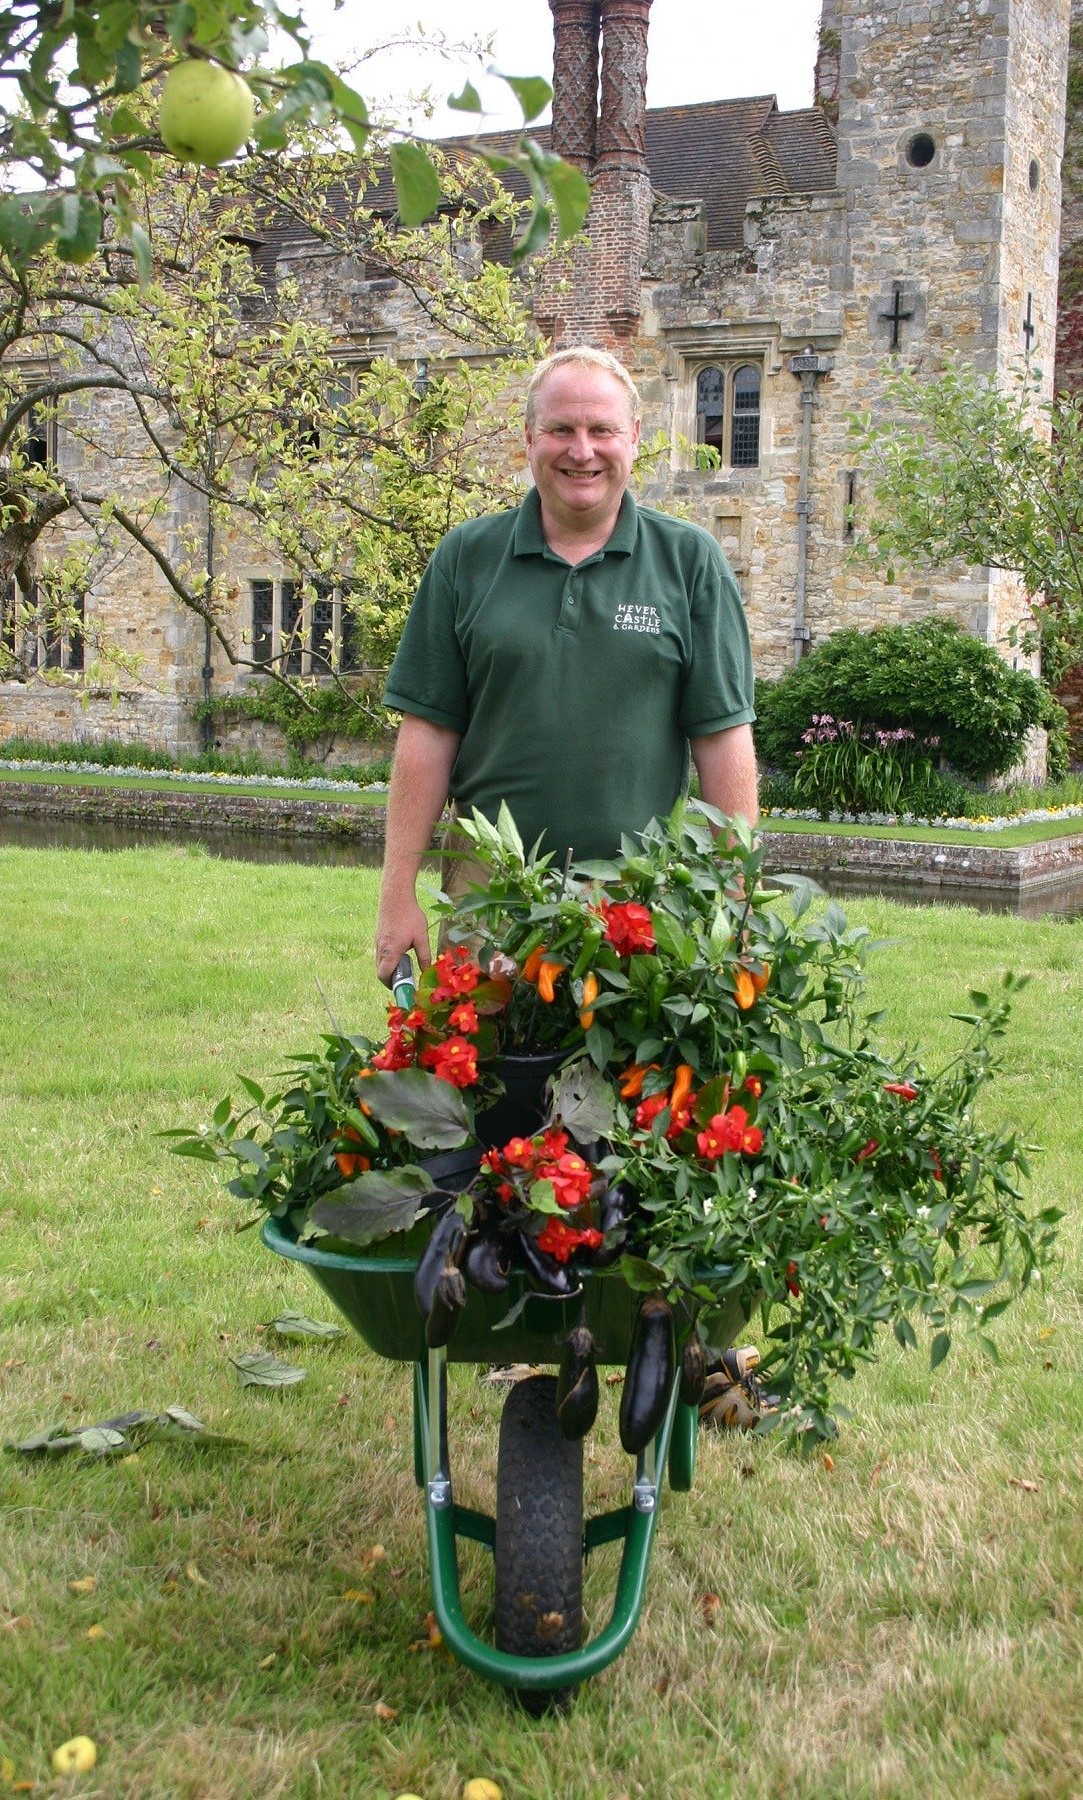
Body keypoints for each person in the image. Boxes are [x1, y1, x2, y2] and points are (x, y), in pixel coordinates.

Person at [374, 344, 768, 1428]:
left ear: (637, 441)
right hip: (496, 908)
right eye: (561, 429)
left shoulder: (688, 565)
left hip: (648, 917)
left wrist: (731, 905)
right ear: (530, 441)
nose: (582, 449)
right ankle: (525, 1325)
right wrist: (400, 892)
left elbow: (723, 749)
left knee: (669, 1128)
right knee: (504, 1118)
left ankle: (696, 1341)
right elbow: (425, 739)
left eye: (602, 430)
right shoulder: (467, 563)